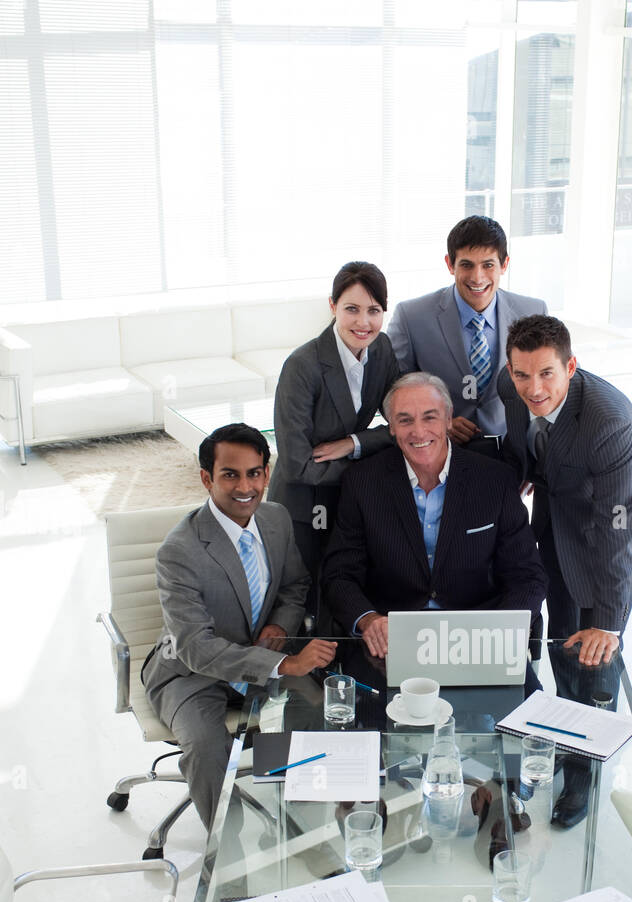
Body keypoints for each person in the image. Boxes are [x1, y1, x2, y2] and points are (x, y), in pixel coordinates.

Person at [498, 315, 632, 826]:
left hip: (602, 541)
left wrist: (609, 621)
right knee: (553, 645)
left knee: (591, 665)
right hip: (554, 520)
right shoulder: (514, 384)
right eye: (523, 375)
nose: (534, 388)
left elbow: (619, 528)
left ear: (571, 366)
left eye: (547, 374)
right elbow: (528, 440)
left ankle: (584, 774)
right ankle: (552, 737)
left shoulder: (608, 421)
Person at [144, 422, 336, 831]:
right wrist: (282, 665)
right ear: (206, 478)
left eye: (254, 473)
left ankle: (301, 825)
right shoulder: (179, 551)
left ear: (267, 474)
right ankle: (227, 858)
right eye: (229, 474)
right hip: (190, 674)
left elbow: (294, 585)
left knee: (324, 714)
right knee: (206, 748)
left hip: (260, 656)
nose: (244, 486)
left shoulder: (276, 519)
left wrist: (279, 630)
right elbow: (195, 648)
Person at [321, 373, 547, 656]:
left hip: (479, 639)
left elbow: (527, 575)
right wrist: (368, 619)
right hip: (392, 643)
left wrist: (503, 629)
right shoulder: (362, 482)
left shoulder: (496, 479)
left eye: (430, 417)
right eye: (405, 420)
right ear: (391, 426)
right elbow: (339, 574)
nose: (418, 432)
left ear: (449, 418)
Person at [271, 261, 401, 620]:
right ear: (332, 307)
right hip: (304, 501)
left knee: (347, 590)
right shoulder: (303, 366)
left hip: (346, 496)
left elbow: (403, 422)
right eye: (352, 309)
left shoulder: (383, 349)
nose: (364, 322)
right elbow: (298, 462)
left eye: (374, 311)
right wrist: (362, 471)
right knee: (305, 600)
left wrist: (355, 443)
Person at [387, 217, 546, 455]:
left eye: (488, 265)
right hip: (439, 454)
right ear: (450, 264)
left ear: (505, 264)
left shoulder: (533, 311)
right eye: (466, 265)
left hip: (512, 456)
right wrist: (436, 421)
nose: (477, 277)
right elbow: (392, 392)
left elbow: (554, 387)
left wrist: (536, 460)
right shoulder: (411, 316)